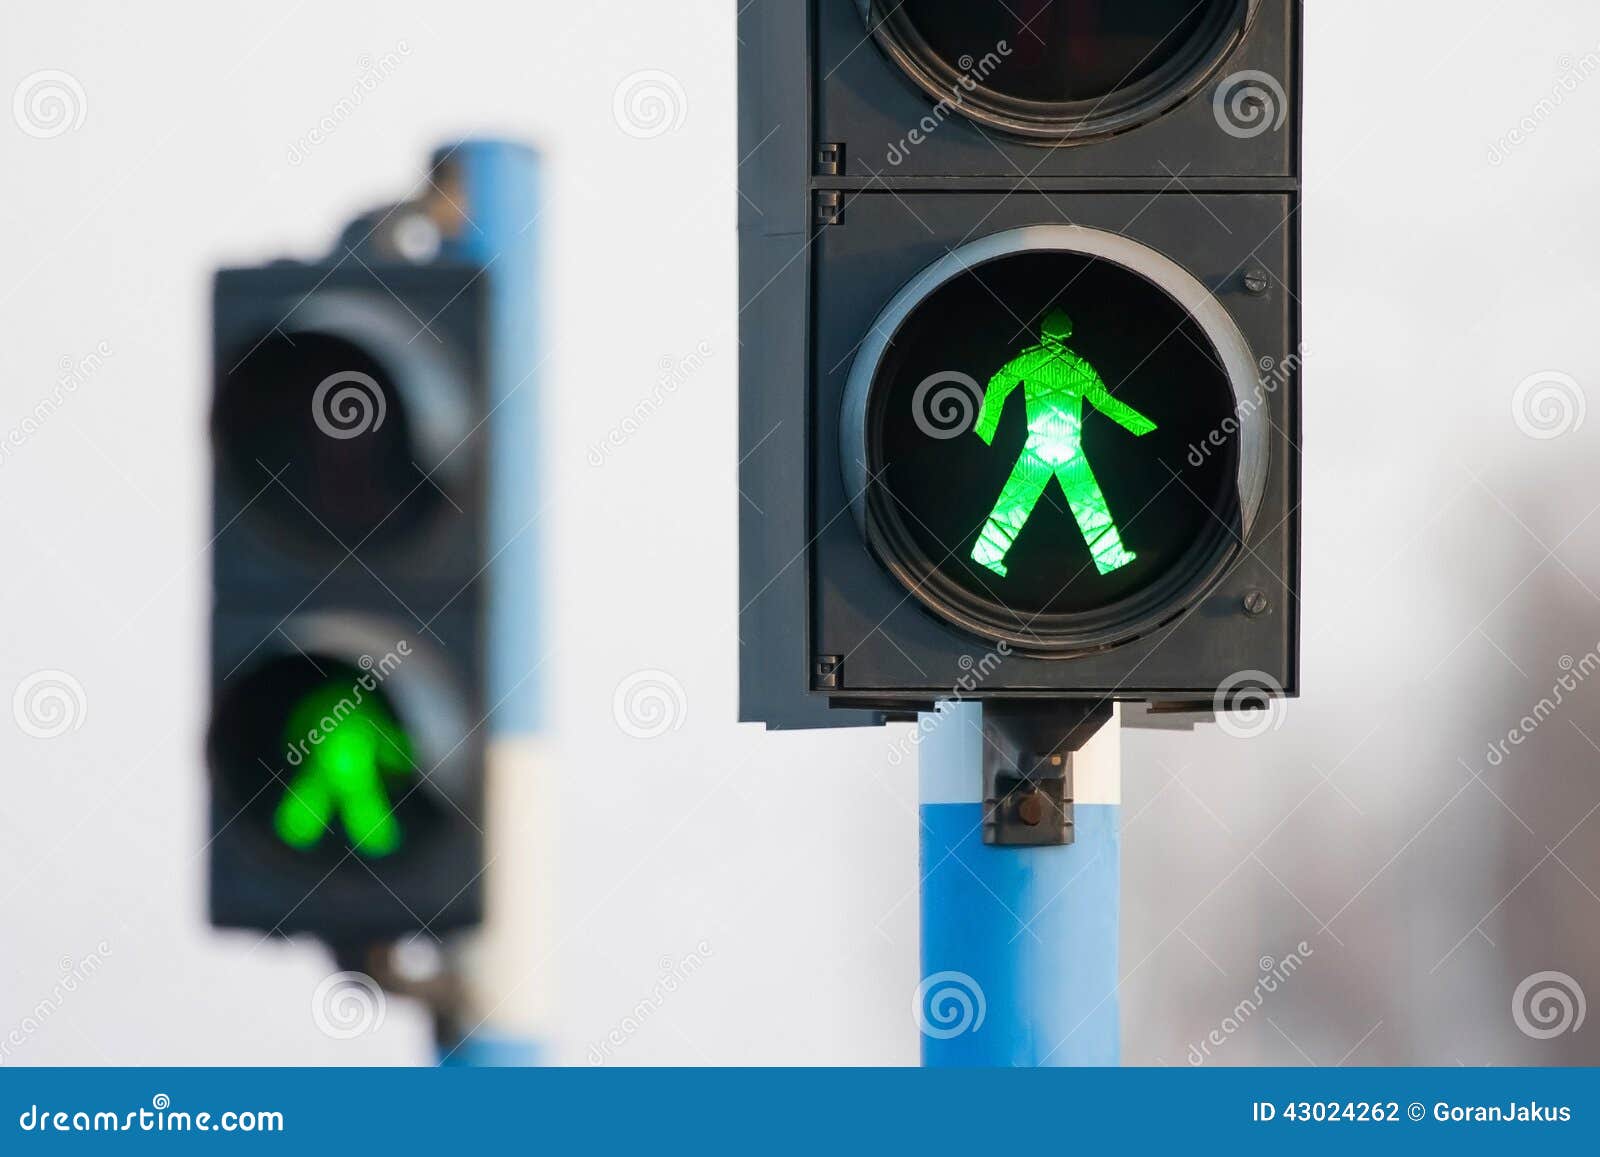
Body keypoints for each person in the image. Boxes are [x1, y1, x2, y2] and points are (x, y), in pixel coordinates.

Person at [970, 309, 1156, 579]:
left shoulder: (1028, 359)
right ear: (1068, 334)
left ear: (1043, 333)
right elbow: (1105, 403)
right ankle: (1110, 558)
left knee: (1014, 504)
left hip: (1037, 446)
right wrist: (1141, 427)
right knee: (1090, 506)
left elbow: (997, 384)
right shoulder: (1080, 365)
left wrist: (985, 430)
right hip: (1069, 446)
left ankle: (987, 555)